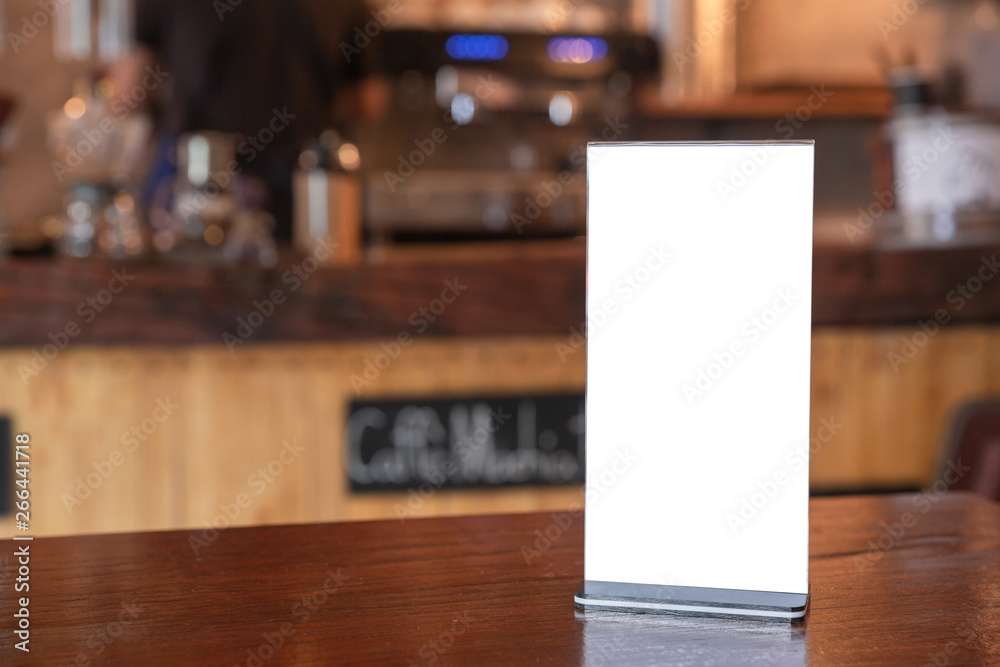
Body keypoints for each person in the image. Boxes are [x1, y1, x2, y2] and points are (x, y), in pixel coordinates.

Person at [117, 0, 378, 242]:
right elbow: (368, 100)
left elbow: (128, 93)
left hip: (193, 180)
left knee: (183, 283)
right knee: (302, 282)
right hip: (304, 184)